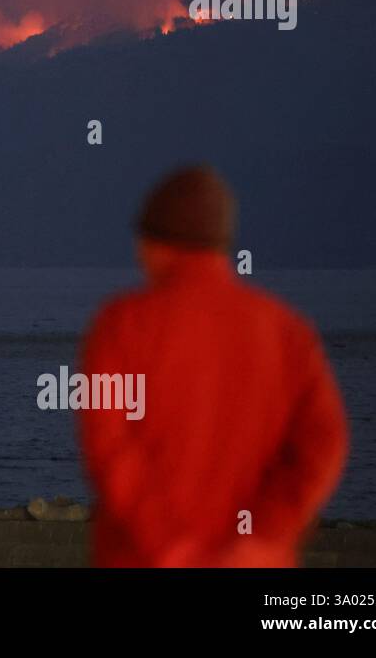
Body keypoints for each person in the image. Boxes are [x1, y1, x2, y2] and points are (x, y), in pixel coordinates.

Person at [77, 165, 348, 567]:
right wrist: (263, 536)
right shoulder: (288, 331)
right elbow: (325, 444)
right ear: (222, 243)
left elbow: (106, 446)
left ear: (155, 244)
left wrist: (170, 546)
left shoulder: (119, 325)